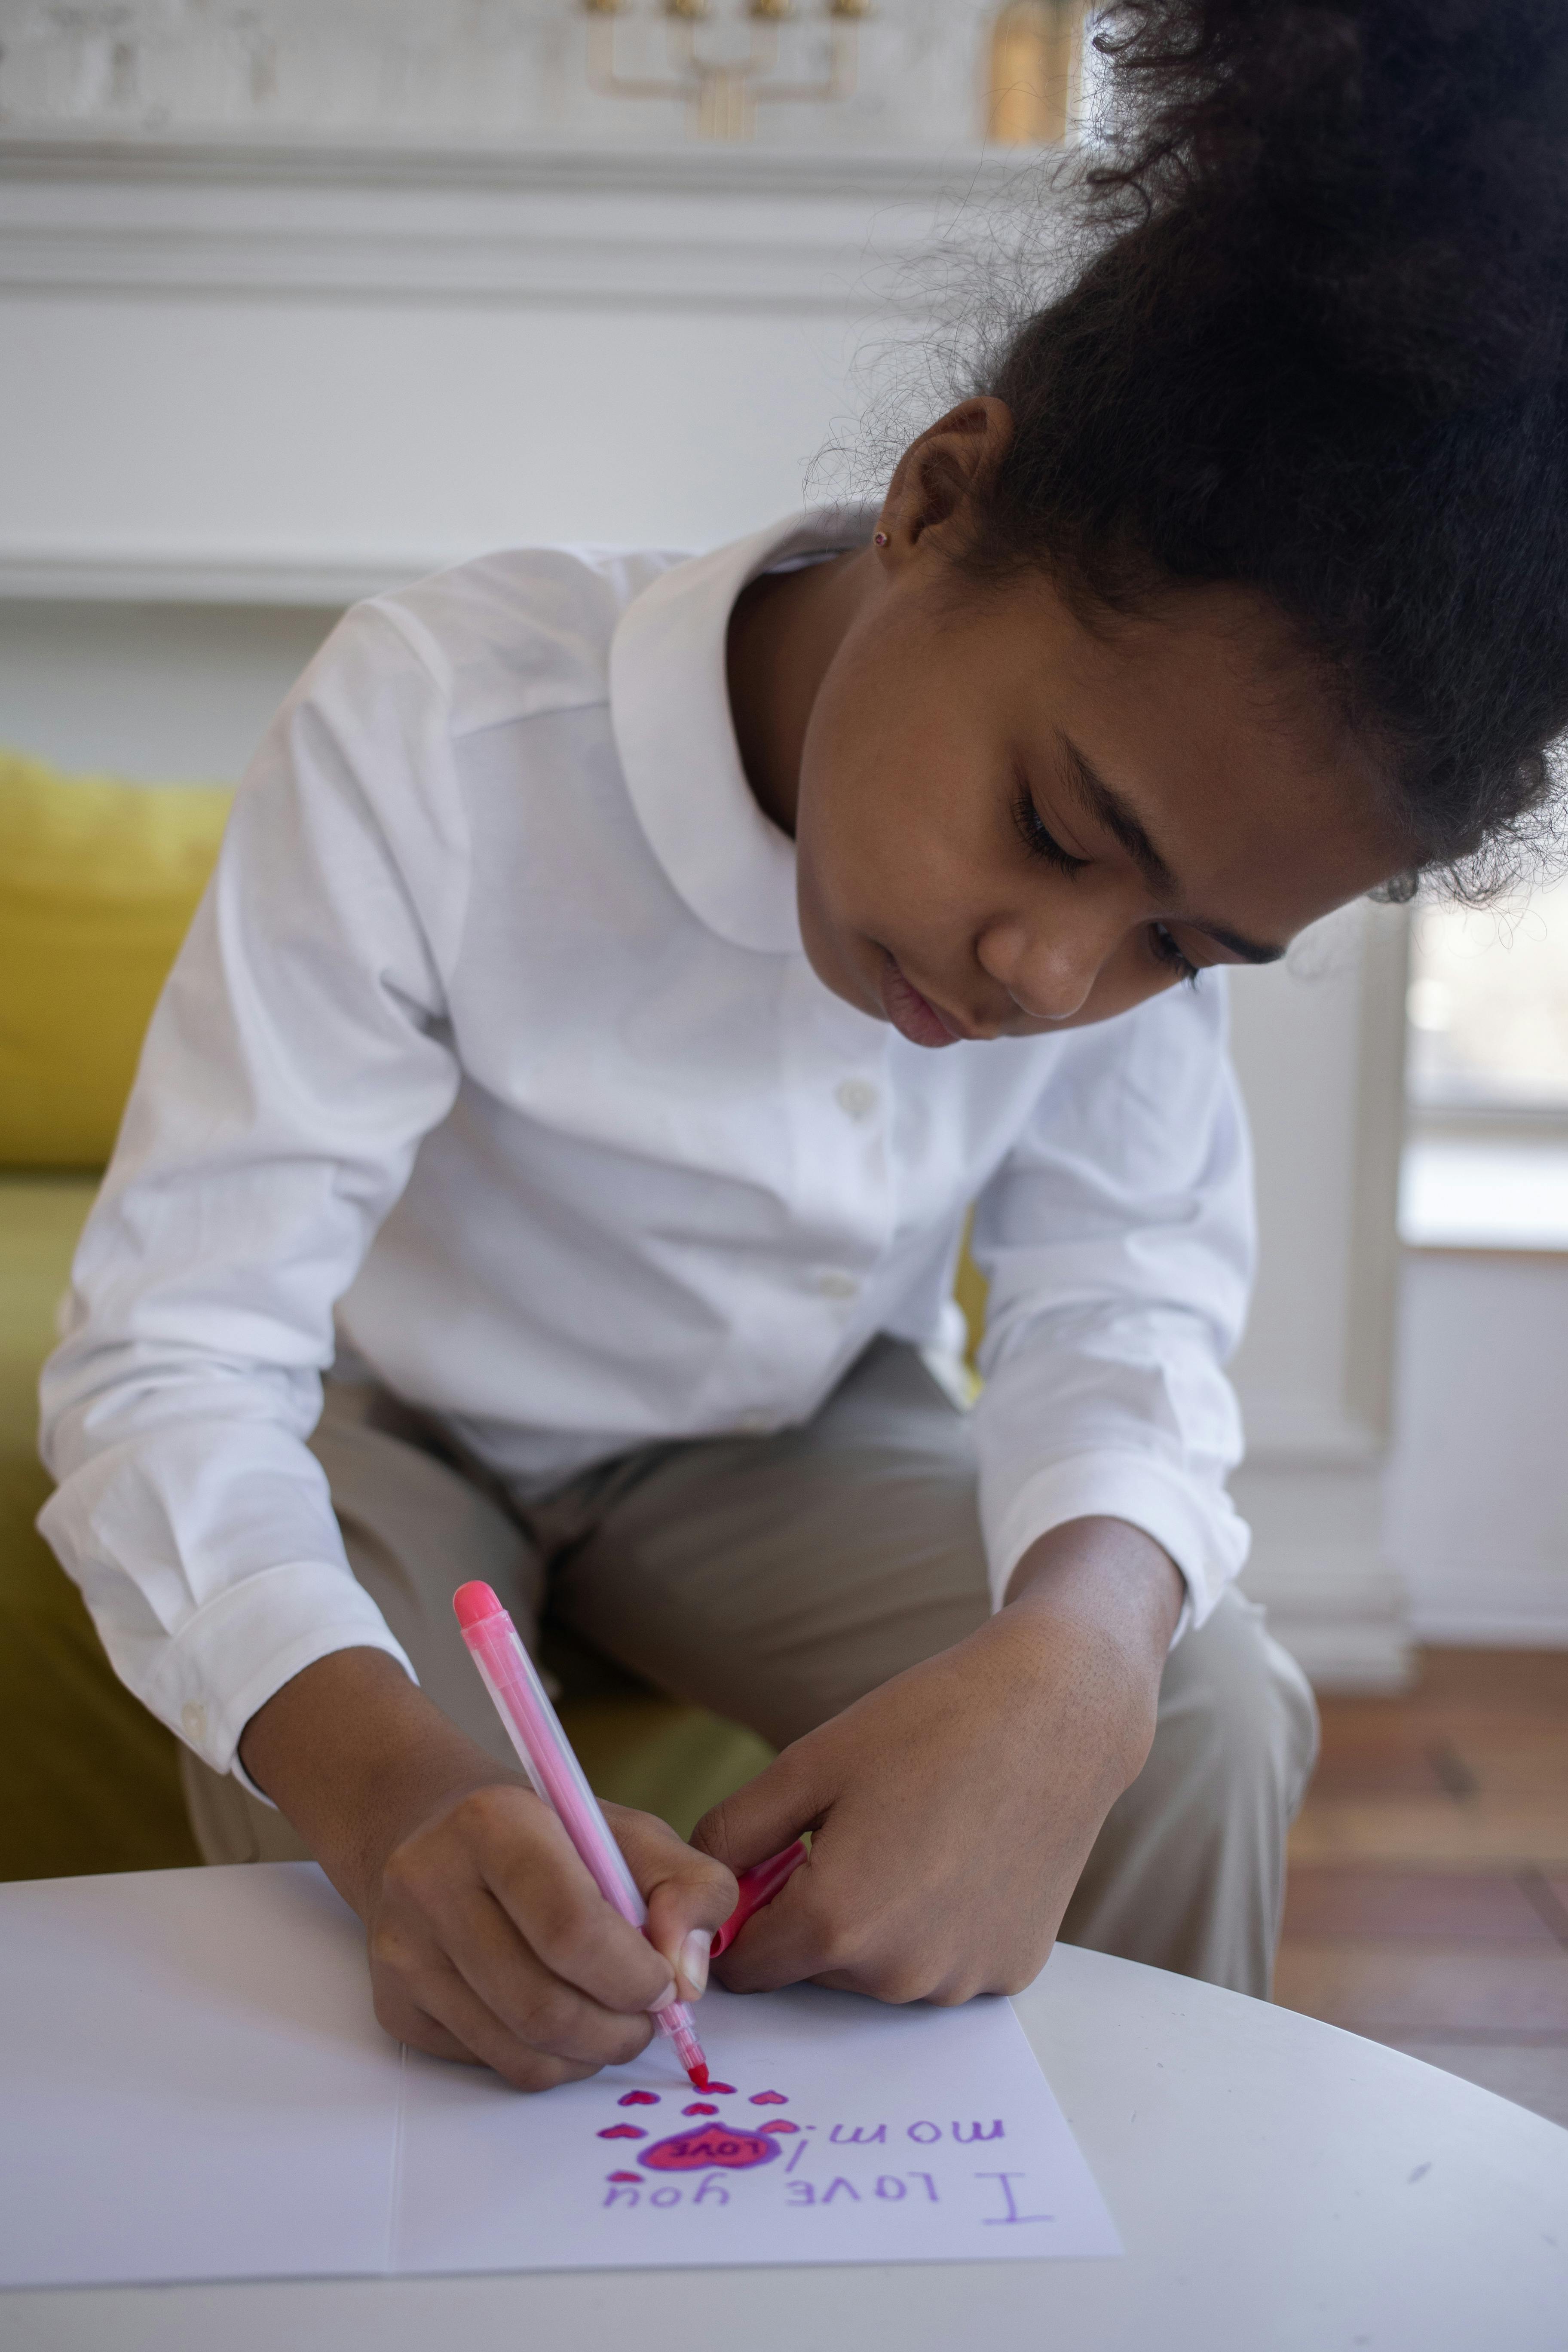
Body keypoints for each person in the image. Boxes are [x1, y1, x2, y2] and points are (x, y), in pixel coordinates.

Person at [39, 0, 1568, 2095]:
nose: (1051, 975)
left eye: (1187, 945)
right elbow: (179, 1360)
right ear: (941, 500)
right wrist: (390, 1792)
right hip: (397, 1425)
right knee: (387, 1825)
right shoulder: (438, 723)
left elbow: (1123, 1306)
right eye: (1056, 830)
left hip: (785, 1435)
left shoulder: (1123, 912)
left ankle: (1110, 2258)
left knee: (1203, 1707)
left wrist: (1081, 1663)